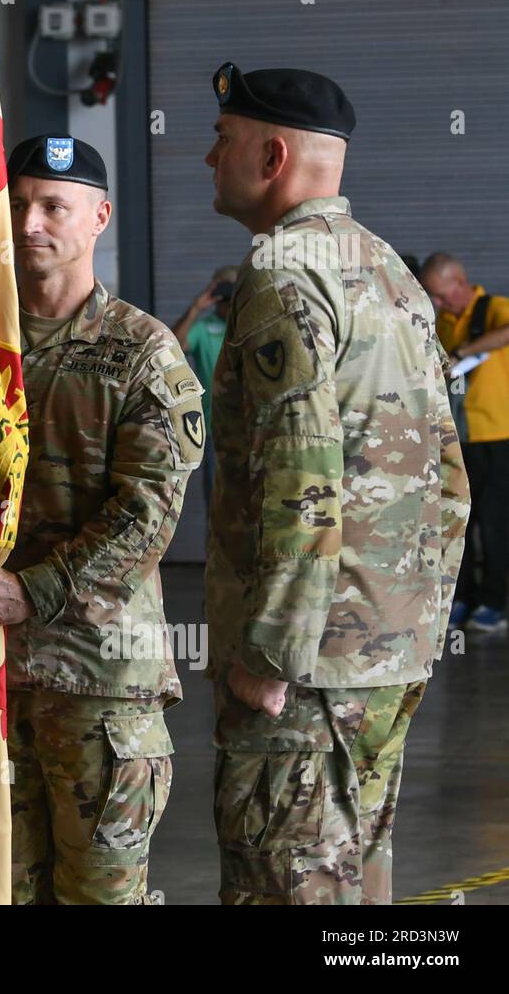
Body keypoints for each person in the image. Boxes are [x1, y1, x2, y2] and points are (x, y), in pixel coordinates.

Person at [203, 62, 469, 904]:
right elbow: (449, 476)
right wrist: (418, 623)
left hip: (312, 667)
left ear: (273, 154)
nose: (207, 157)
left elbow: (301, 472)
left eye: (222, 140)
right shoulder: (389, 270)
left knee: (287, 882)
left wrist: (272, 653)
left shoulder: (285, 271)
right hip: (389, 649)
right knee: (357, 890)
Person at [0, 135, 203, 904]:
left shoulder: (142, 352)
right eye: (15, 204)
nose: (29, 223)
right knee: (0, 893)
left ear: (100, 217)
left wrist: (37, 589)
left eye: (54, 205)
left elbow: (148, 513)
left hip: (99, 686)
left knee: (98, 896)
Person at [419, 253, 509, 634]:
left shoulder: (493, 308)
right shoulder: (444, 322)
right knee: (460, 520)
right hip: (460, 439)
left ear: (459, 281)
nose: (437, 303)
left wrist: (463, 353)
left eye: (440, 295)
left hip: (498, 437)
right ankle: (463, 597)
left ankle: (494, 602)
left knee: (495, 523)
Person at [171, 265, 237, 513]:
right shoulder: (204, 326)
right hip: (214, 428)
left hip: (254, 429)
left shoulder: (253, 322)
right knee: (217, 504)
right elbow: (173, 349)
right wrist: (197, 308)